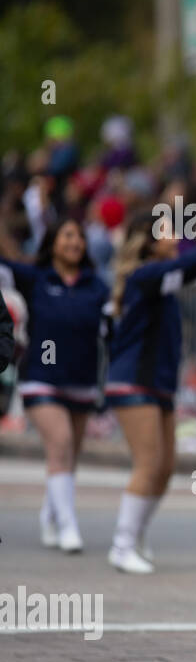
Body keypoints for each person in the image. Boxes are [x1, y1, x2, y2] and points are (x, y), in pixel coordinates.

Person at [104, 213, 196, 573]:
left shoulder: (164, 281)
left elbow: (189, 269)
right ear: (147, 241)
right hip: (133, 382)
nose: (176, 235)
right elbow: (193, 265)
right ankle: (121, 545)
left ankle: (137, 535)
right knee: (148, 465)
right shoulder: (146, 276)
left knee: (164, 469)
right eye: (167, 231)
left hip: (159, 384)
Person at [0, 219, 107, 551]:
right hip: (42, 378)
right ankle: (68, 526)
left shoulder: (96, 286)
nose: (75, 242)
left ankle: (50, 513)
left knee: (69, 455)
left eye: (80, 237)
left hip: (82, 380)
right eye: (68, 235)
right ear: (53, 242)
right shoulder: (35, 279)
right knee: (59, 444)